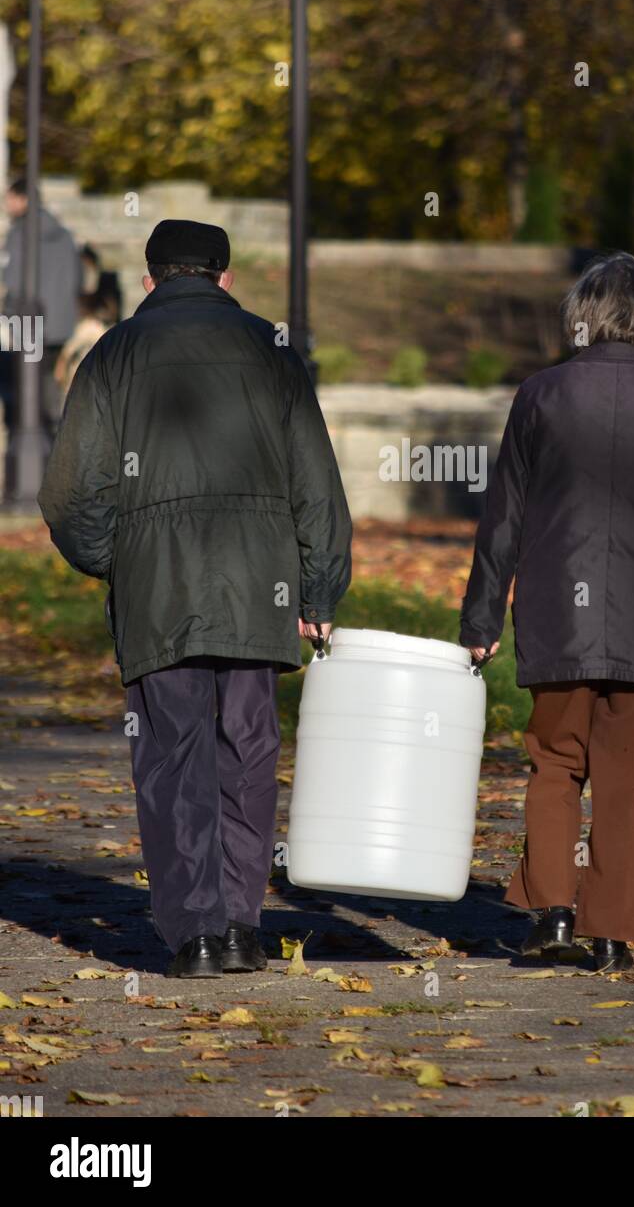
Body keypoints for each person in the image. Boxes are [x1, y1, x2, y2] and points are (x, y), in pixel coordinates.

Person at [38, 219, 352, 978]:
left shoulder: (115, 353)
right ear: (226, 277)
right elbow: (316, 484)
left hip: (159, 588)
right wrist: (319, 587)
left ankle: (197, 935)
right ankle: (243, 925)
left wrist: (119, 560)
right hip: (259, 584)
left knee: (171, 756)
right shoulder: (271, 352)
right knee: (247, 750)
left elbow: (69, 495)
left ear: (149, 279)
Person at [460, 251, 634, 974]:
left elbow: (504, 519)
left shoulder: (540, 395)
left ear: (582, 318)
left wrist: (482, 620)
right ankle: (615, 934)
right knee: (632, 781)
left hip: (558, 613)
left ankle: (554, 912)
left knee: (555, 765)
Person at [3, 178, 83, 434]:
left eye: (10, 198)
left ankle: (29, 444)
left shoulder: (19, 233)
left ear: (22, 198)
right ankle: (52, 439)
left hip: (28, 323)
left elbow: (13, 281)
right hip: (60, 323)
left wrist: (9, 314)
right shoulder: (64, 234)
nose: (6, 204)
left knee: (25, 388)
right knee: (51, 386)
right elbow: (78, 279)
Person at [53, 290, 111, 400]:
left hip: (82, 384)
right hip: (88, 384)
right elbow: (68, 352)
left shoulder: (89, 326)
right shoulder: (94, 326)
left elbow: (67, 352)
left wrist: (59, 374)